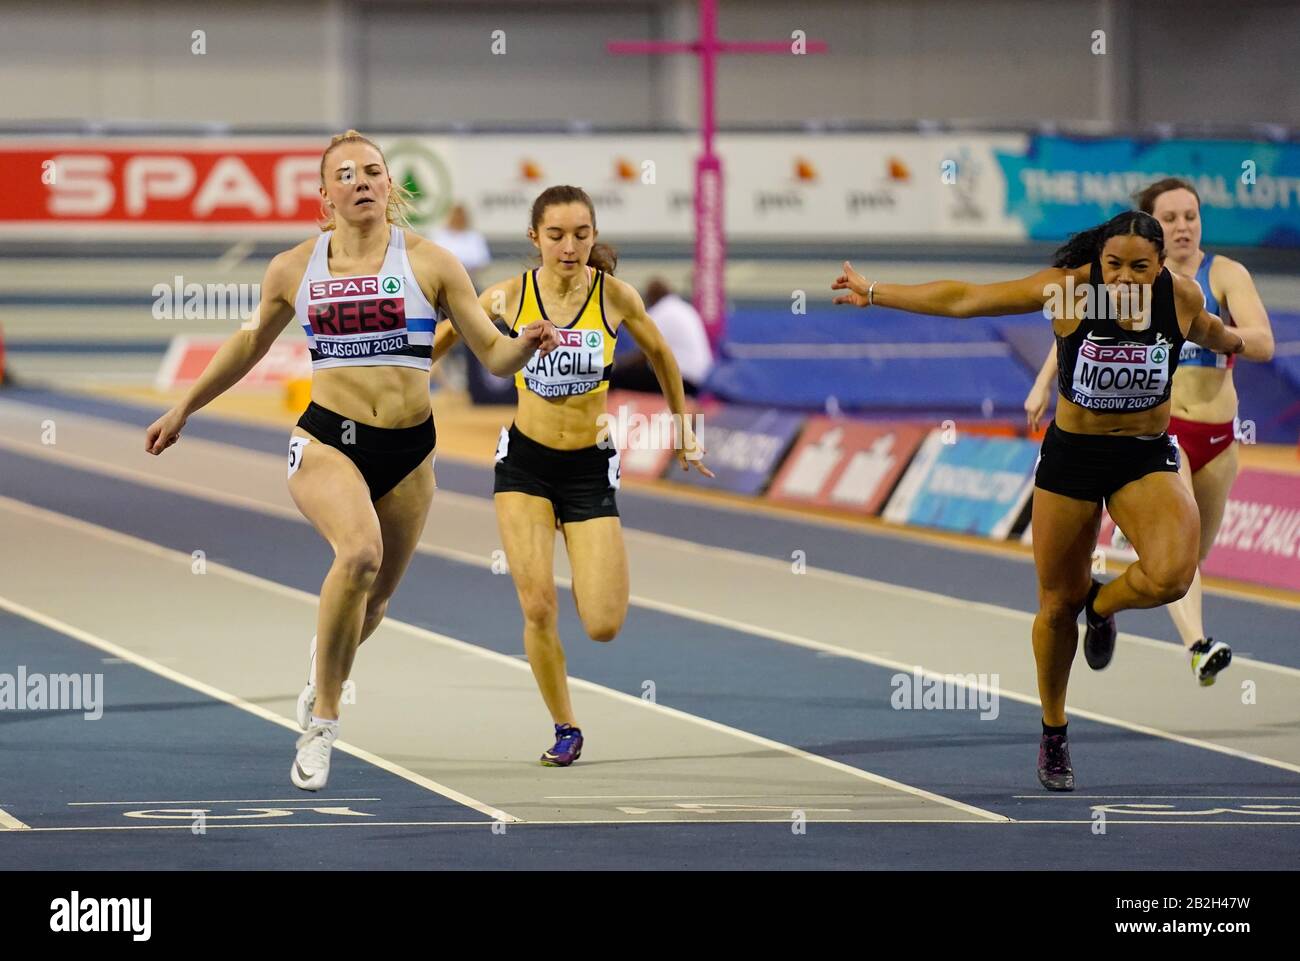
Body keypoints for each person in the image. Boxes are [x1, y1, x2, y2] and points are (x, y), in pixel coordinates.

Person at [144, 130, 558, 791]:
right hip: (327, 441)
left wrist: (526, 343)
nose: (362, 181)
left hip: (411, 451)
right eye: (346, 174)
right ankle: (324, 723)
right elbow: (249, 344)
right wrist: (184, 408)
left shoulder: (434, 264)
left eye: (373, 171)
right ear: (324, 196)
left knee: (377, 601)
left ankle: (321, 667)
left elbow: (492, 355)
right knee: (358, 554)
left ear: (390, 187)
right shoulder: (293, 268)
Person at [833, 210, 1246, 791]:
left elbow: (1205, 328)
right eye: (1114, 265)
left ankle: (1103, 608)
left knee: (1174, 575)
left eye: (1139, 268)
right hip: (1073, 458)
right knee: (1057, 604)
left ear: (1159, 268)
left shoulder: (1178, 295)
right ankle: (1054, 730)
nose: (1125, 280)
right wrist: (875, 292)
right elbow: (965, 299)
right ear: (1097, 262)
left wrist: (1235, 341)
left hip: (1144, 455)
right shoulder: (1069, 291)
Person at [432, 185, 713, 766]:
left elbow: (662, 355)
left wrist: (685, 427)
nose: (569, 246)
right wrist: (403, 375)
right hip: (525, 466)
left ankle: (573, 687)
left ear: (593, 236)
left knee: (603, 624)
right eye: (556, 235)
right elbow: (451, 333)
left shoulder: (615, 297)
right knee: (537, 606)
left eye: (581, 235)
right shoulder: (508, 296)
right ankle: (565, 726)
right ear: (535, 238)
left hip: (587, 470)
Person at [1024, 179, 1274, 686]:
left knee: (1188, 561)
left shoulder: (1220, 276)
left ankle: (1100, 603)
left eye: (1192, 216)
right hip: (1162, 432)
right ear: (1152, 229)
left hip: (1220, 437)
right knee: (1172, 559)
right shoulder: (1121, 285)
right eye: (1172, 218)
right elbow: (1074, 334)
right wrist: (1044, 382)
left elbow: (1264, 343)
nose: (1184, 227)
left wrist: (1207, 330)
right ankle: (1198, 646)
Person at [609, 277, 713, 395]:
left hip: (681, 378)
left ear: (651, 297)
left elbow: (645, 355)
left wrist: (616, 365)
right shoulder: (684, 308)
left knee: (616, 377)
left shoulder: (661, 311)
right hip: (698, 378)